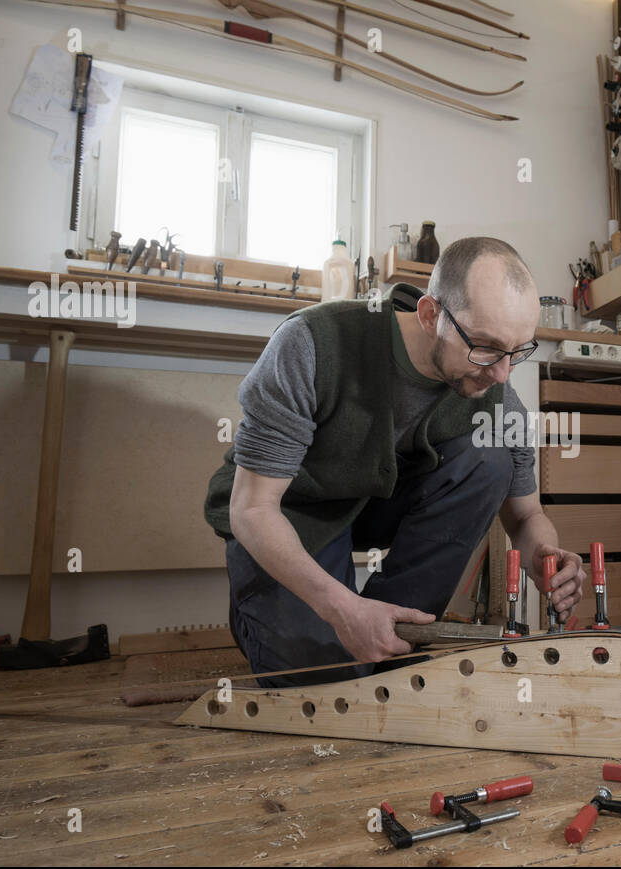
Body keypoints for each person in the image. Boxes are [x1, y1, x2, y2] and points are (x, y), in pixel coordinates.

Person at [203, 237, 585, 687]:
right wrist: (343, 609)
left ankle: (402, 630)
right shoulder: (311, 344)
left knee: (489, 458)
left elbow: (526, 515)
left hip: (375, 502)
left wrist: (545, 560)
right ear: (430, 316)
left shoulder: (498, 396)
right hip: (291, 510)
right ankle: (299, 627)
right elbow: (251, 509)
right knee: (317, 679)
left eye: (518, 351)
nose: (501, 373)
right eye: (485, 347)